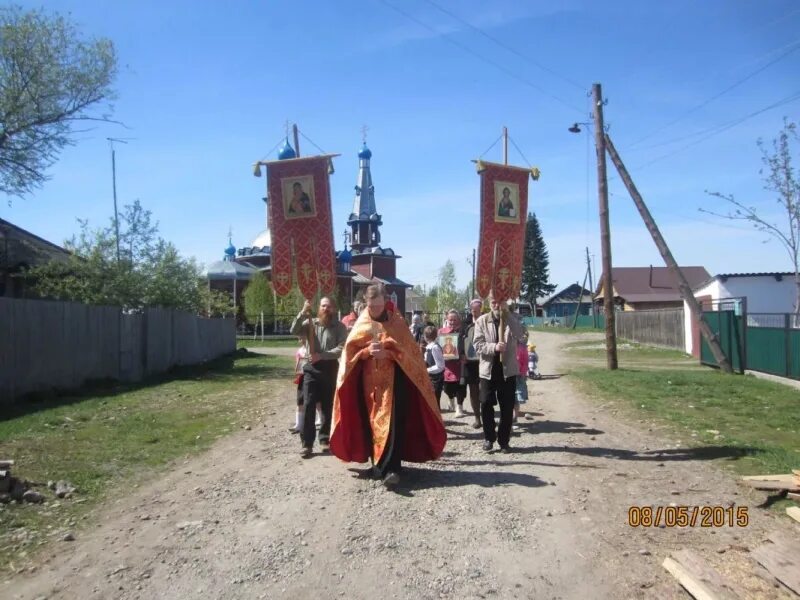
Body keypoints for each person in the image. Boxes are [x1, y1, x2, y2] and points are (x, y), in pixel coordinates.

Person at [331, 283, 446, 488]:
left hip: (394, 383)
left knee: (391, 423)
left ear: (386, 301)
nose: (375, 309)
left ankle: (391, 468)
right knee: (370, 422)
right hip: (367, 385)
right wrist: (365, 352)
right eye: (371, 305)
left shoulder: (397, 322)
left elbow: (411, 355)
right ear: (366, 302)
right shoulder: (362, 323)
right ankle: (377, 465)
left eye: (378, 305)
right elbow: (349, 354)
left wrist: (390, 353)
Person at [290, 296, 348, 458]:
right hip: (310, 369)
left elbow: (342, 347)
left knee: (328, 406)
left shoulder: (340, 327)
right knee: (308, 404)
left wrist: (322, 356)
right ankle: (307, 444)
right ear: (319, 308)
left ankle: (325, 440)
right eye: (323, 306)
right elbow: (293, 330)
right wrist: (303, 312)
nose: (326, 309)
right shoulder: (310, 323)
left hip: (329, 368)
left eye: (329, 306)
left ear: (334, 309)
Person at [472, 294, 526, 452]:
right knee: (486, 403)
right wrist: (494, 347)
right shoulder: (482, 321)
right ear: (489, 303)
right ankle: (489, 438)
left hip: (507, 370)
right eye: (494, 302)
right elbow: (478, 345)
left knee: (507, 407)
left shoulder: (512, 318)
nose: (496, 305)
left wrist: (507, 314)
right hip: (488, 370)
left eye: (500, 302)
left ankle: (504, 441)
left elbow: (520, 335)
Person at [439, 309, 467, 416]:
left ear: (459, 320)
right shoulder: (441, 332)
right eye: (450, 320)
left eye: (455, 320)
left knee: (461, 386)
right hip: (447, 366)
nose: (452, 322)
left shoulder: (463, 331)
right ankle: (451, 400)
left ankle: (459, 407)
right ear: (447, 319)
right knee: (447, 388)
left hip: (460, 364)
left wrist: (465, 355)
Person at [461, 299, 484, 429]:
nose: (474, 312)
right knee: (473, 390)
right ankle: (477, 417)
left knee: (483, 389)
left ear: (481, 309)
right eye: (473, 310)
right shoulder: (465, 323)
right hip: (470, 363)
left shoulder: (486, 321)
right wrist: (462, 353)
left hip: (484, 361)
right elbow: (460, 339)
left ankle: (486, 414)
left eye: (477, 310)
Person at [423, 325, 445, 409]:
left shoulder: (435, 348)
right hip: (431, 377)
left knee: (435, 399)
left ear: (425, 336)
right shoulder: (429, 347)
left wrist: (426, 370)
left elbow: (440, 366)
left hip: (436, 379)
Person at [288, 338, 306, 434]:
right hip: (302, 377)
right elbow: (298, 364)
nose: (301, 339)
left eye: (303, 337)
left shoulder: (314, 349)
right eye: (300, 338)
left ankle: (320, 419)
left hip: (313, 377)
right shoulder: (300, 350)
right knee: (300, 400)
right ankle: (299, 424)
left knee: (318, 401)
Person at [514, 334, 529, 428]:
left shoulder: (522, 348)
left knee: (516, 399)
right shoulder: (506, 346)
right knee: (508, 397)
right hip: (507, 374)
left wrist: (523, 373)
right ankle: (509, 418)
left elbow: (525, 362)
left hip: (519, 376)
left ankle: (515, 417)